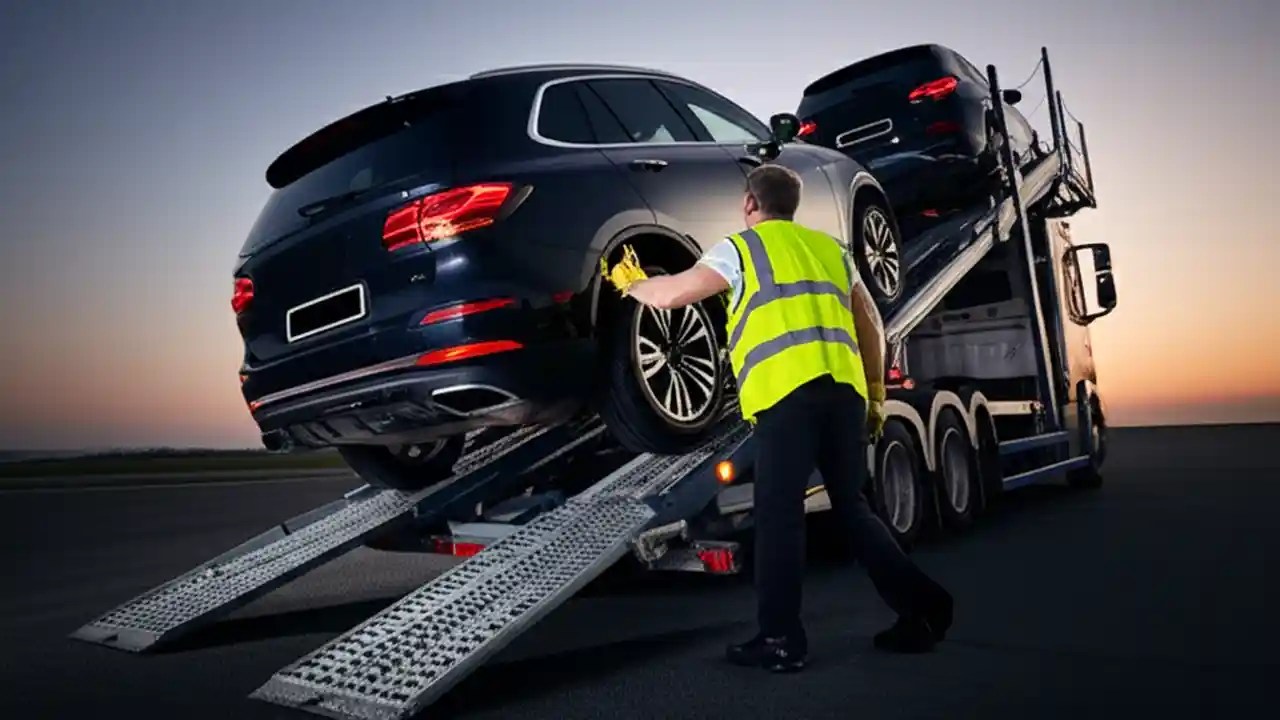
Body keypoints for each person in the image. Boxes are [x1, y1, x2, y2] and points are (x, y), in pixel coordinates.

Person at [617, 163, 954, 672]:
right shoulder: (830, 252)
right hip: (845, 396)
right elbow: (869, 323)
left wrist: (632, 284)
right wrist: (878, 394)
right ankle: (924, 607)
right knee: (853, 507)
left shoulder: (741, 249)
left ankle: (780, 639)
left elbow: (673, 294)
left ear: (751, 204)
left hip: (787, 397)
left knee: (778, 517)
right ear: (791, 206)